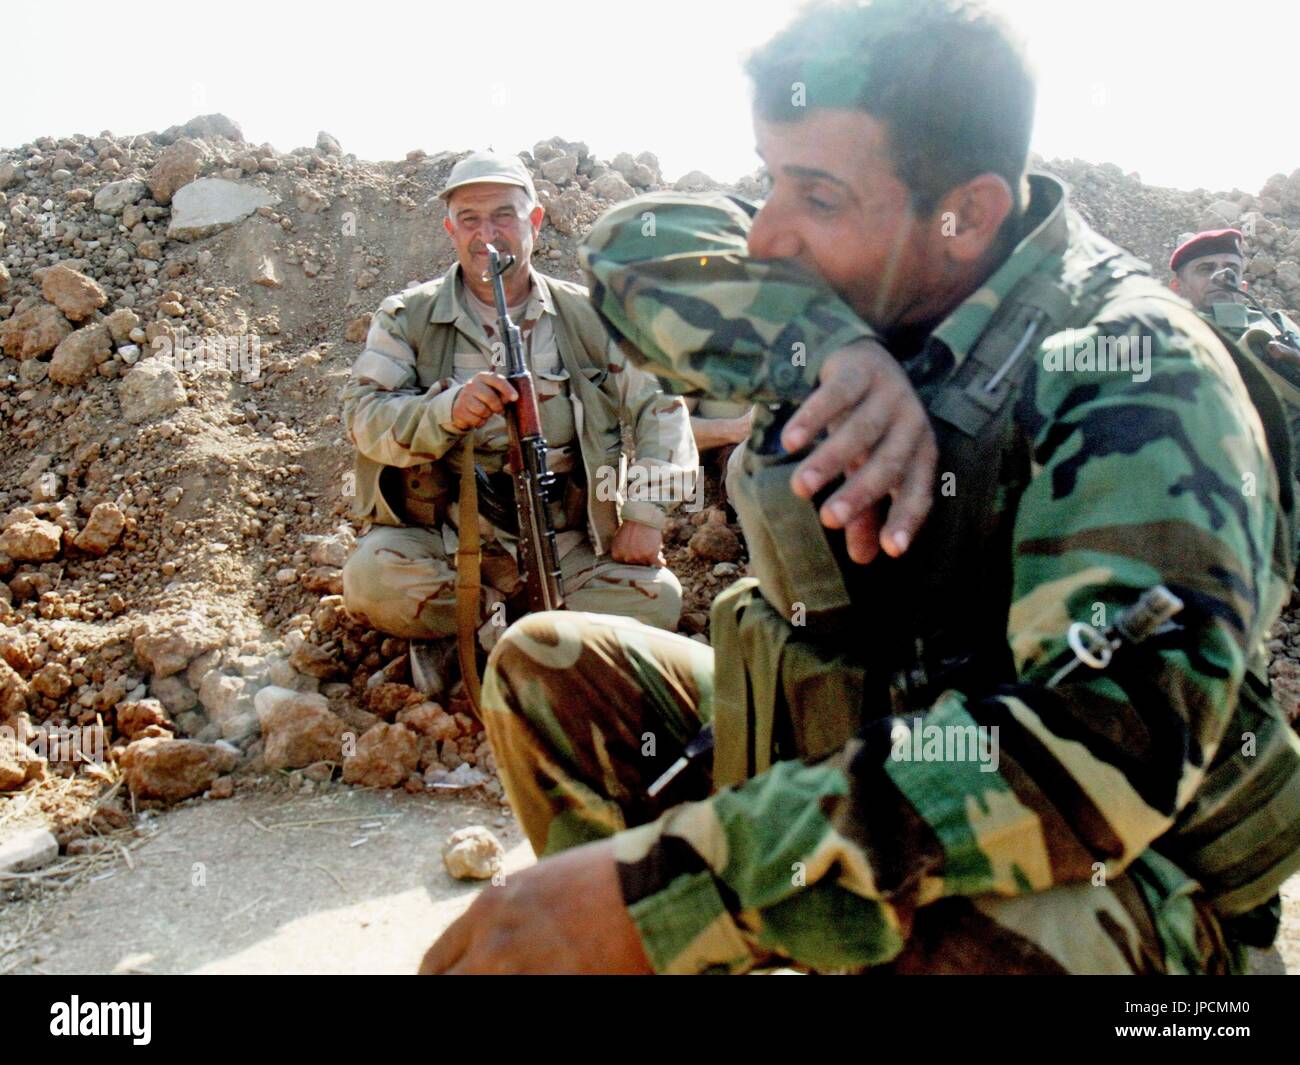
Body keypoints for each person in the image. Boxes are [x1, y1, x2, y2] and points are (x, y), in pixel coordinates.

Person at [421, 0, 1300, 974]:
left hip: (1111, 873)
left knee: (976, 934)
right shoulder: (882, 280)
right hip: (886, 725)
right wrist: (827, 345)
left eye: (819, 196)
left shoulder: (1132, 370)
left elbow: (1101, 743)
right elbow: (636, 248)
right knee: (553, 666)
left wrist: (684, 887)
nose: (767, 235)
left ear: (968, 214)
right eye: (770, 180)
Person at [340, 151, 697, 692]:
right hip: (445, 539)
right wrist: (445, 411)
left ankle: (488, 638)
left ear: (535, 222)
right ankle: (510, 630)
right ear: (449, 230)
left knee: (657, 599)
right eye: (470, 219)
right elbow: (363, 417)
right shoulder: (406, 316)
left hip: (563, 537)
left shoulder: (591, 317)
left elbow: (662, 408)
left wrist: (646, 514)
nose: (487, 234)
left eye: (504, 215)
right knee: (370, 582)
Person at [1169, 226, 1300, 469]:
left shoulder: (1276, 325)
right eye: (1206, 268)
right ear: (1176, 288)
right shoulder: (1157, 331)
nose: (1222, 276)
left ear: (1244, 286)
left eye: (1232, 269)